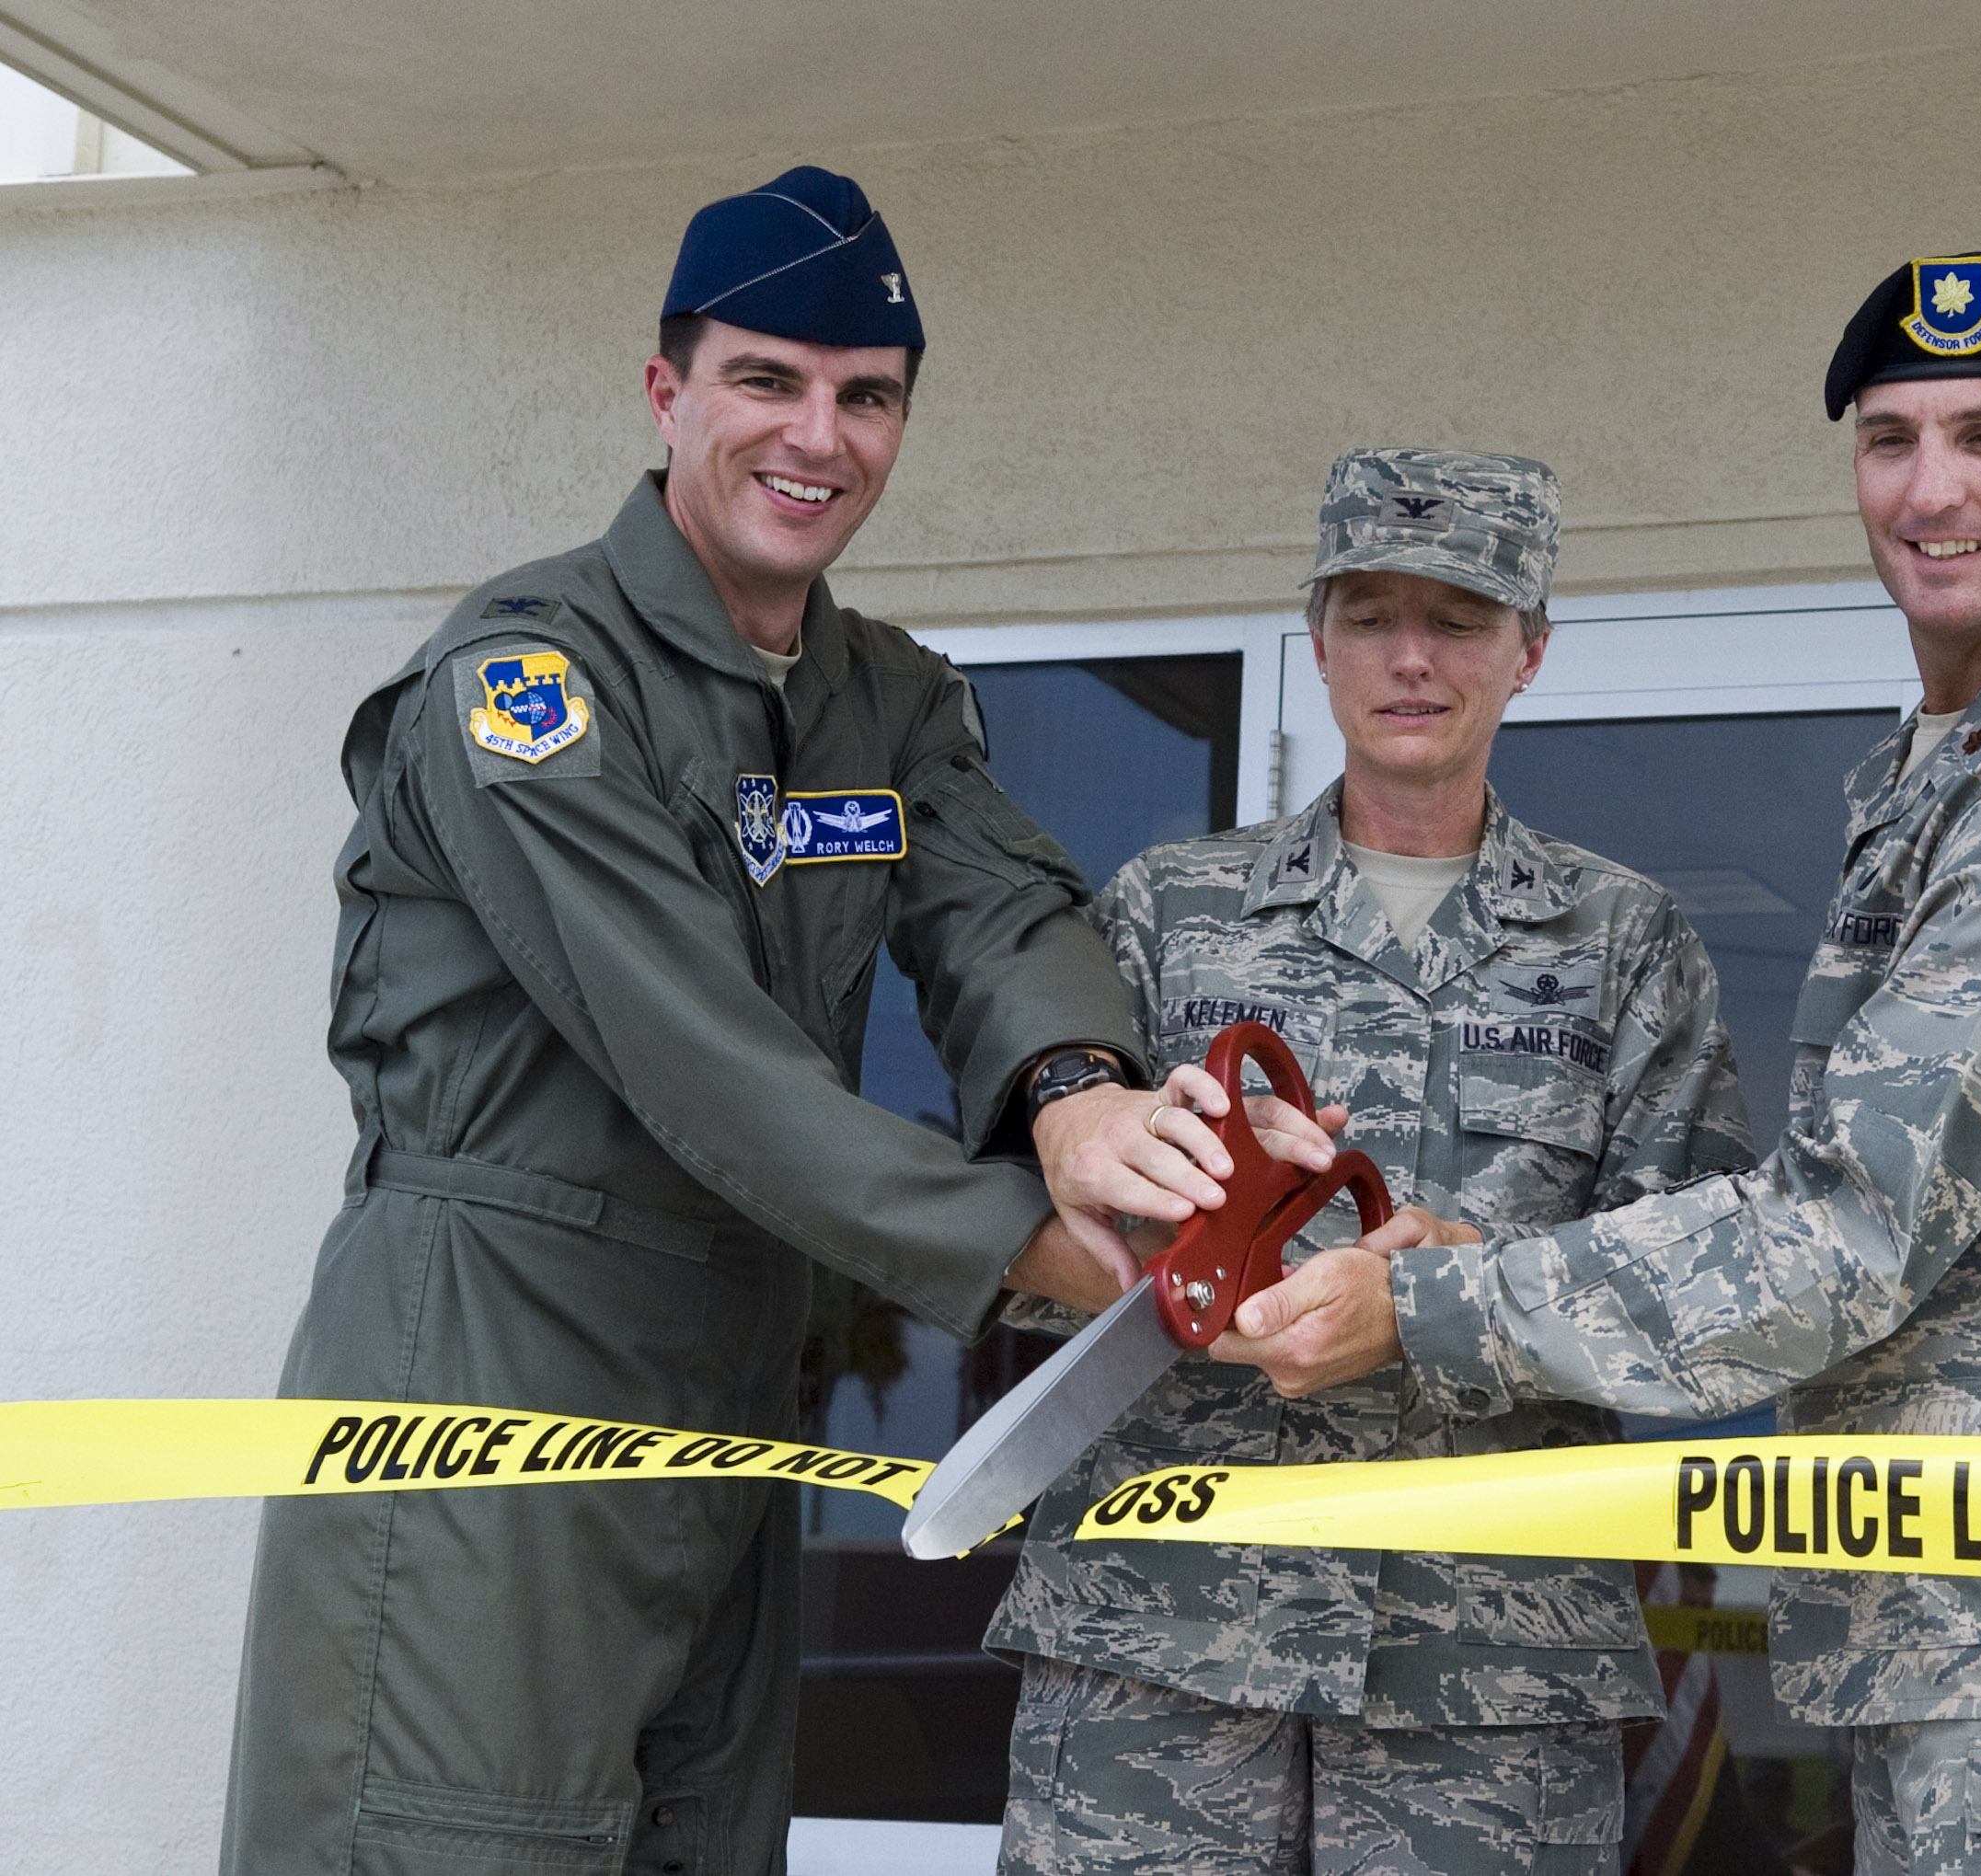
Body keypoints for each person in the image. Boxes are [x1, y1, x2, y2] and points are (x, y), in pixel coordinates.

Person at [218, 166, 1316, 1875]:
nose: (820, 434)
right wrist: (1065, 1251)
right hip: (488, 1390)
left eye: (865, 394)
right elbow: (709, 1067)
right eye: (767, 379)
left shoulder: (879, 695)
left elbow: (997, 904)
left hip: (725, 1408)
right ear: (668, 394)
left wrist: (1081, 1097)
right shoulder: (525, 686)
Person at [1228, 255, 1981, 1873]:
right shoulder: (1961, 768)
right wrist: (1499, 1264)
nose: (1928, 488)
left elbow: (1844, 1226)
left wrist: (1419, 1307)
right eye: (1889, 440)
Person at [985, 449, 1754, 1873]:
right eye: (1370, 613)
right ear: (1317, 639)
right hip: (1160, 1640)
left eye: (1458, 618)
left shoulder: (1625, 945)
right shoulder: (1167, 913)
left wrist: (1461, 1281)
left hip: (1488, 1677)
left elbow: (1705, 1301)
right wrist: (1170, 1260)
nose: (1411, 657)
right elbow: (1026, 1250)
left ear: (1530, 649)